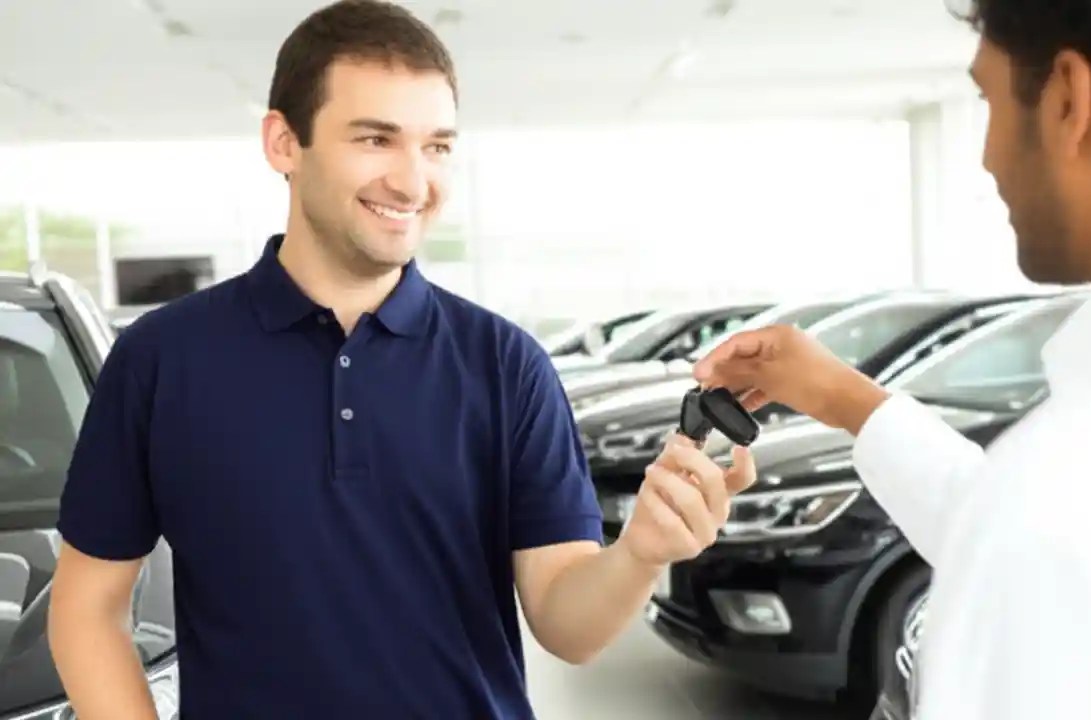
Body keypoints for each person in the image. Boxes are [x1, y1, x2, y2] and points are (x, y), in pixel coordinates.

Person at [46, 1, 755, 717]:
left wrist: (639, 553)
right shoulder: (161, 360)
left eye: (437, 146)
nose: (413, 183)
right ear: (284, 143)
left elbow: (566, 626)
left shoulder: (507, 366)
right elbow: (86, 610)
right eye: (376, 139)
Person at [694, 1, 1091, 719]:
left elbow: (1047, 536)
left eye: (988, 101)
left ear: (1069, 99)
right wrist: (841, 397)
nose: (986, 157)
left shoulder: (1082, 499)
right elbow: (999, 522)